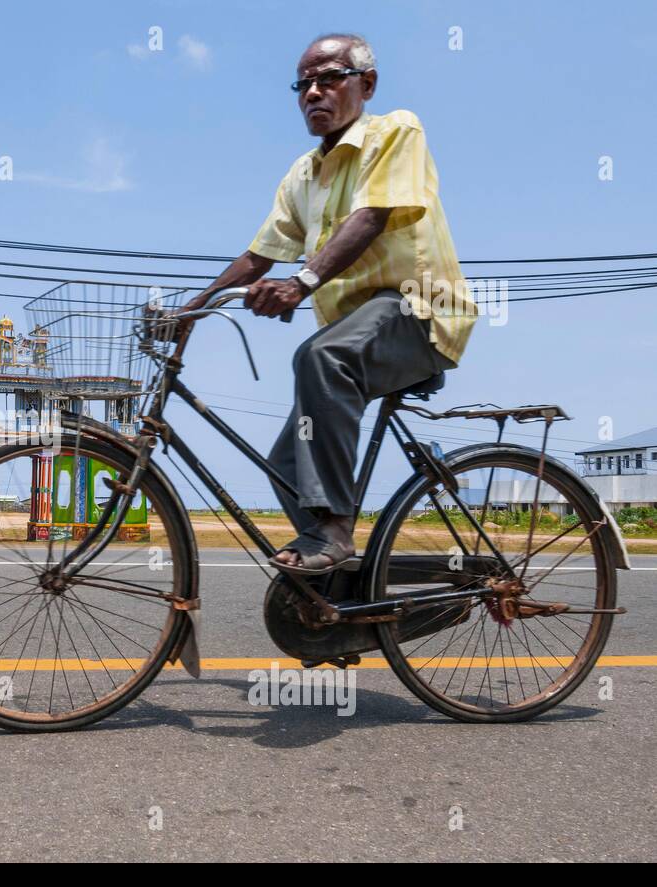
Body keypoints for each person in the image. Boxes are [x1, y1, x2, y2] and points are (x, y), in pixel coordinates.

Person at [179, 33, 476, 574]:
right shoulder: (303, 174)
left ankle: (334, 532)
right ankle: (342, 589)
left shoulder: (395, 130)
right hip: (358, 329)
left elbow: (372, 216)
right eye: (303, 84)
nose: (314, 92)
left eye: (329, 78)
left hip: (418, 312)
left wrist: (303, 282)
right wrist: (193, 308)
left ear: (367, 84)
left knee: (321, 355)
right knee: (288, 463)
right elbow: (259, 254)